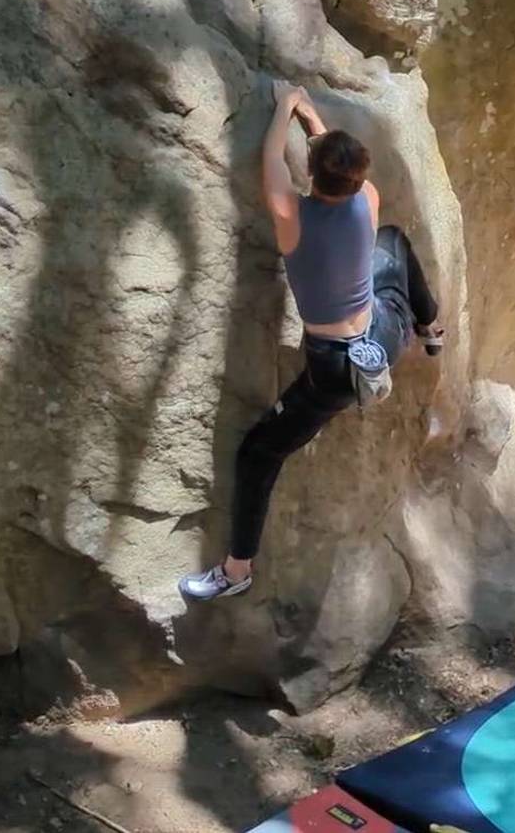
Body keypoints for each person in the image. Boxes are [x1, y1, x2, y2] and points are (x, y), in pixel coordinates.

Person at [180, 84, 443, 601]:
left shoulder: (289, 215)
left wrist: (285, 107)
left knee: (258, 454)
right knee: (392, 242)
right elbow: (334, 161)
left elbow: (272, 155)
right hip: (383, 336)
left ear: (313, 173)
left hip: (334, 371)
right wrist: (312, 116)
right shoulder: (367, 201)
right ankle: (431, 329)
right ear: (356, 176)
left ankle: (236, 573)